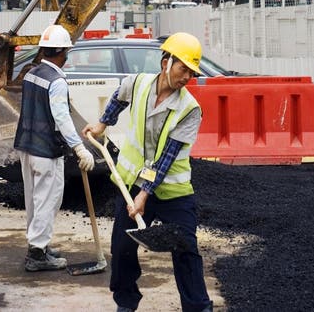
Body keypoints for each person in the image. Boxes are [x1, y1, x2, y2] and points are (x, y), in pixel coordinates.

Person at [83, 32, 213, 312]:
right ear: (166, 61)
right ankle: (126, 303)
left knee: (186, 248)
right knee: (122, 248)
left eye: (192, 72)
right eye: (183, 69)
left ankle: (198, 307)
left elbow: (166, 158)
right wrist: (103, 123)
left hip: (172, 192)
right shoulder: (139, 83)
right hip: (130, 183)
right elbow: (119, 95)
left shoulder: (189, 109)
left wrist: (145, 194)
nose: (187, 77)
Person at [13, 23, 95, 272]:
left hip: (26, 147)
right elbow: (62, 118)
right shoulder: (57, 80)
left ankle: (39, 244)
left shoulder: (31, 73)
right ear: (62, 52)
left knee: (34, 201)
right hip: (46, 151)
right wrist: (79, 148)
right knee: (47, 201)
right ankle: (37, 254)